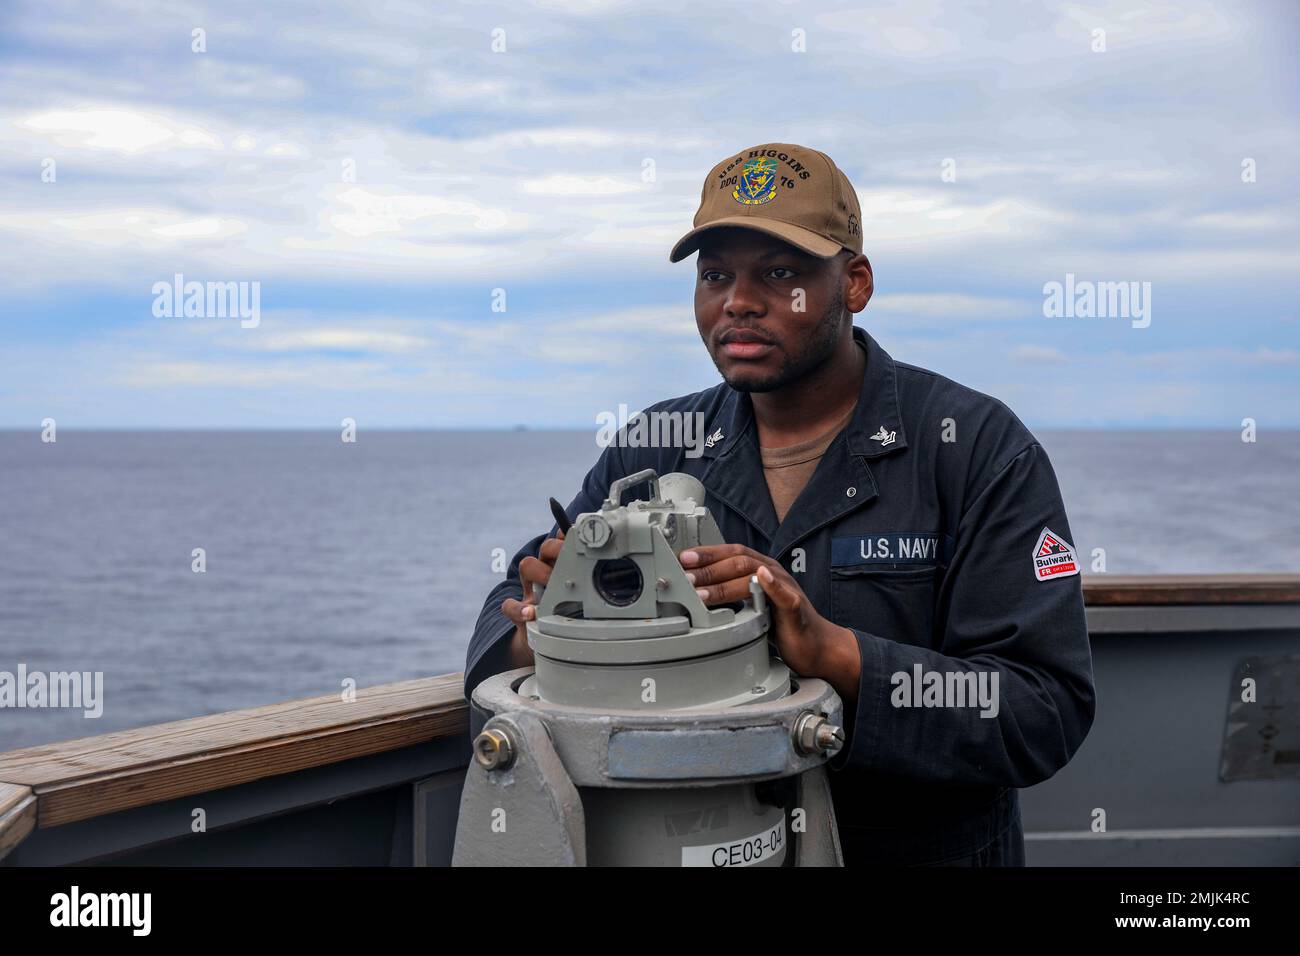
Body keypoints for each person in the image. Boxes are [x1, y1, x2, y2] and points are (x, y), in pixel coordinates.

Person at [464, 142, 1096, 866]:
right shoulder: (653, 448)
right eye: (715, 276)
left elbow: (1041, 709)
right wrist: (548, 623)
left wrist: (836, 653)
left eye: (780, 273)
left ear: (854, 284)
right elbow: (503, 618)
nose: (738, 301)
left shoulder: (974, 448)